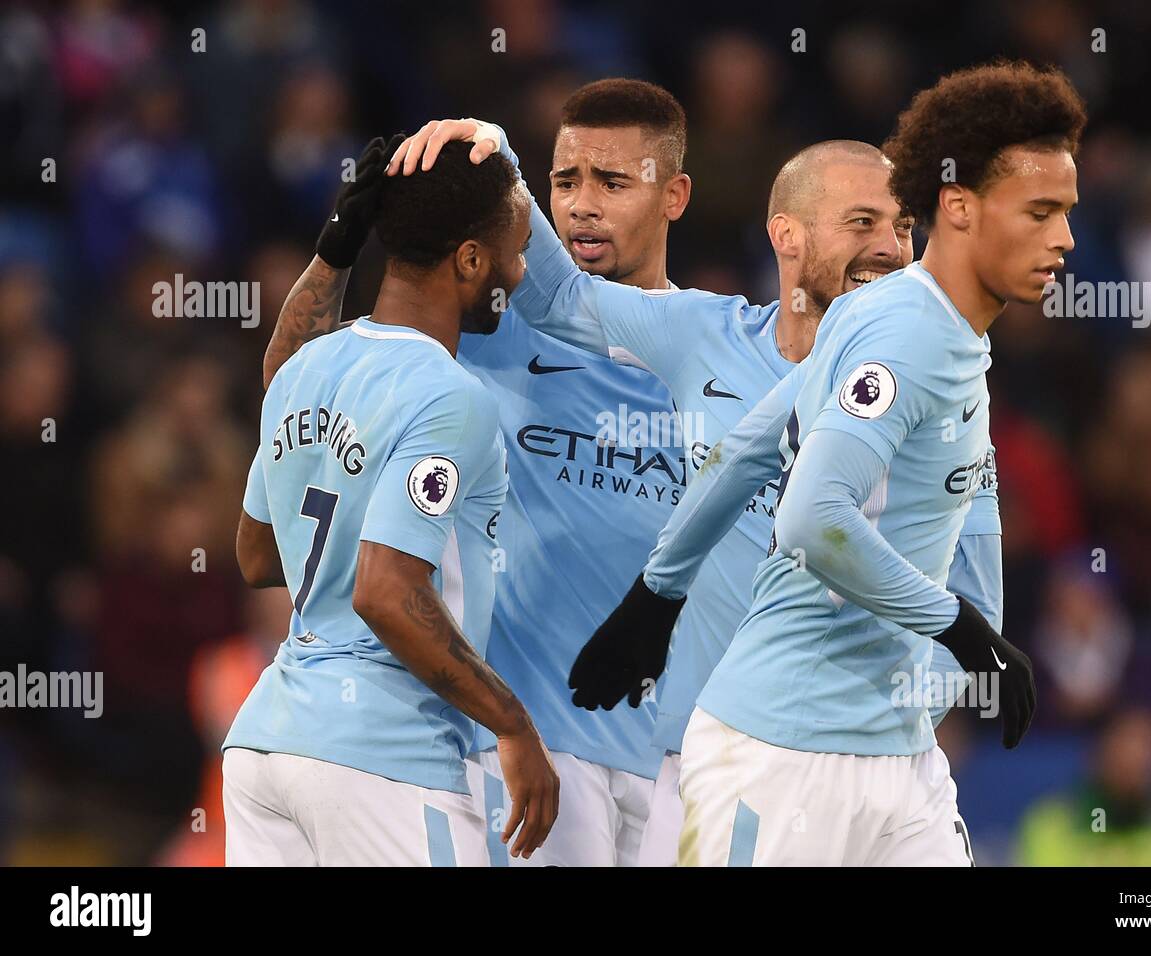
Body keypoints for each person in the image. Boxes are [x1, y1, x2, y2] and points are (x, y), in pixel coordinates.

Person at [387, 117, 918, 865]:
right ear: (787, 235)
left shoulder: (927, 396)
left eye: (904, 228)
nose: (893, 248)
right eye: (565, 182)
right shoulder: (698, 335)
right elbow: (556, 300)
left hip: (829, 755)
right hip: (637, 752)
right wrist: (496, 156)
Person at [265, 80, 691, 867]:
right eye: (565, 182)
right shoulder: (488, 320)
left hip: (674, 756)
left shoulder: (716, 346)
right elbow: (296, 393)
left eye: (613, 182)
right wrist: (338, 247)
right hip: (527, 749)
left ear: (675, 196)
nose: (584, 205)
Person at [669, 59, 1084, 865]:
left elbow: (753, 444)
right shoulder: (906, 333)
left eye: (1066, 212)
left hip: (896, 758)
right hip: (782, 758)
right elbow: (812, 516)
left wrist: (655, 589)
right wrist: (961, 628)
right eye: (1040, 212)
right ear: (958, 208)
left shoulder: (944, 332)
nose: (1064, 237)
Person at [224, 140, 558, 866]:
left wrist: (332, 251)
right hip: (382, 754)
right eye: (516, 252)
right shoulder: (451, 397)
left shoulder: (305, 368)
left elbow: (256, 555)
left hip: (265, 747)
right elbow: (383, 591)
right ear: (470, 261)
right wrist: (513, 724)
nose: (520, 273)